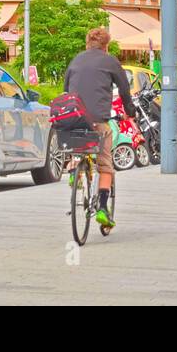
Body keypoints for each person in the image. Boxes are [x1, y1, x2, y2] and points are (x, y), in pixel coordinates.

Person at [63, 27, 136, 230]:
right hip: (98, 121)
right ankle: (103, 208)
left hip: (73, 118)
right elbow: (124, 90)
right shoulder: (110, 61)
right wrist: (130, 111)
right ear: (106, 46)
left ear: (87, 43)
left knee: (77, 144)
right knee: (105, 163)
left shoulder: (76, 59)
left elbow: (65, 88)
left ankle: (74, 170)